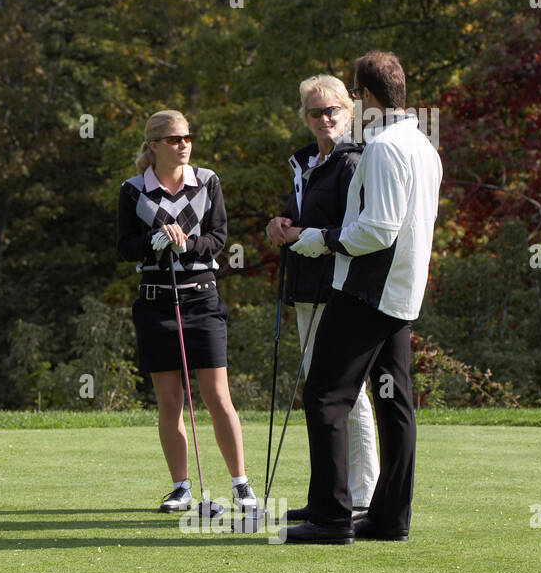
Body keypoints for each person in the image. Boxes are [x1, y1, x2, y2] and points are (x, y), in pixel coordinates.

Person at [283, 51, 442, 543]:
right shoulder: (422, 144)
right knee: (394, 402)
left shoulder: (384, 148)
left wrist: (322, 239)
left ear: (367, 96)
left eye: (354, 93)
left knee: (325, 395)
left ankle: (331, 518)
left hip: (367, 290)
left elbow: (379, 229)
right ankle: (390, 518)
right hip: (400, 292)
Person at [117, 110, 257, 513]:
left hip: (202, 298)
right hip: (156, 301)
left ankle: (240, 484)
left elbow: (218, 238)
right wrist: (155, 241)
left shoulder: (208, 181)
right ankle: (181, 487)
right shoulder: (132, 191)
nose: (183, 145)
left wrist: (186, 246)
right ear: (155, 145)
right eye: (175, 139)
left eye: (187, 138)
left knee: (217, 396)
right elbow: (124, 246)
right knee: (170, 400)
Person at [265, 75, 381, 520]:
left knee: (346, 394)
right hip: (307, 290)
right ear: (305, 118)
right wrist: (278, 225)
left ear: (350, 112)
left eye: (333, 109)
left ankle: (361, 494)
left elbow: (354, 228)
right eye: (316, 112)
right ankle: (331, 496)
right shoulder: (304, 163)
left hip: (341, 290)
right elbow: (296, 218)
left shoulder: (354, 162)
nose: (325, 117)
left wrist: (300, 233)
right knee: (323, 392)